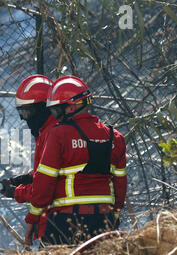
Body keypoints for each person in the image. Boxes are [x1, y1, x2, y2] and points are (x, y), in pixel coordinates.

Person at [23, 75, 127, 245]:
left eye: (57, 110)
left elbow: (44, 183)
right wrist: (113, 217)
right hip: (103, 219)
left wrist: (33, 217)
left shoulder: (59, 134)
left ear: (71, 107)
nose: (55, 116)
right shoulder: (115, 137)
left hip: (67, 221)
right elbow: (120, 185)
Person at [0, 74, 59, 248]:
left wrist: (16, 192)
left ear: (43, 108)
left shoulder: (53, 134)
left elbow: (44, 189)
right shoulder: (47, 132)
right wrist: (26, 179)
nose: (24, 118)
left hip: (57, 222)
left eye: (27, 111)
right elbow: (50, 173)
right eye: (21, 113)